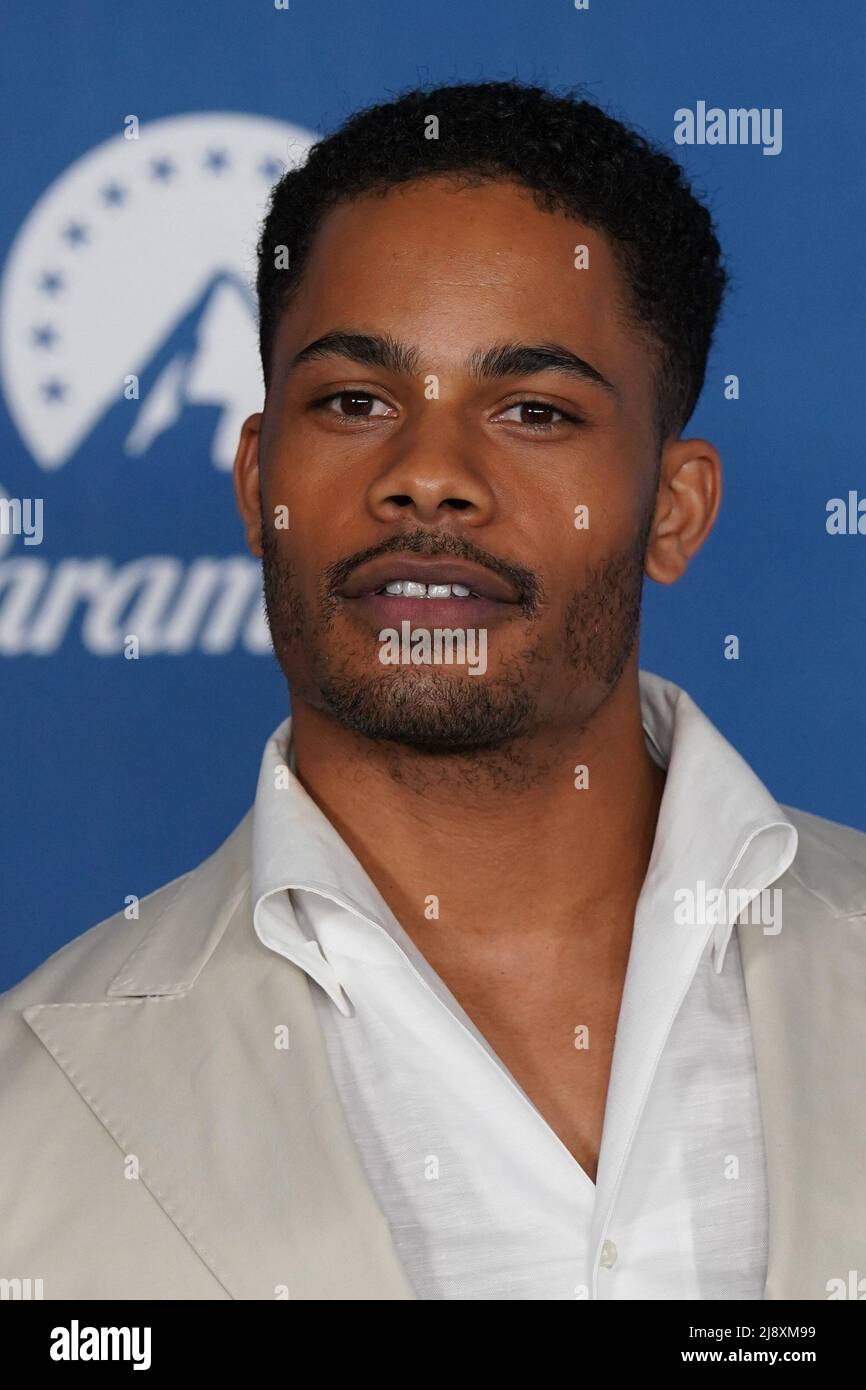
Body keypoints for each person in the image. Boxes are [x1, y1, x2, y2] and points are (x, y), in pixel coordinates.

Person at [1, 80, 864, 1302]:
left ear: (671, 510)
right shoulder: (22, 1127)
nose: (427, 477)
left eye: (531, 409)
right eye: (355, 401)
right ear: (259, 483)